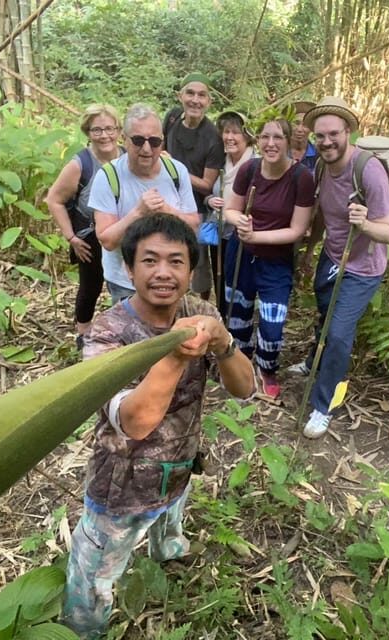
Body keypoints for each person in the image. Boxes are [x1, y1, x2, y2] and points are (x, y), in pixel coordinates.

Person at [62, 213, 255, 638]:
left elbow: (244, 389)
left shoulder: (199, 312)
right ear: (129, 269)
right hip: (122, 486)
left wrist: (223, 342)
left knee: (170, 527)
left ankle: (168, 554)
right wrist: (176, 355)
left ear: (190, 270)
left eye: (176, 261)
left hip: (178, 469)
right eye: (150, 261)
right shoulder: (108, 335)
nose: (164, 272)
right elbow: (135, 423)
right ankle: (82, 631)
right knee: (91, 586)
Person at [292, 97, 389, 438]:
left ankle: (325, 405)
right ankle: (313, 362)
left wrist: (365, 223)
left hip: (363, 267)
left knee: (338, 334)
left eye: (333, 134)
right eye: (319, 136)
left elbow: (388, 231)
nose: (326, 142)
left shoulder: (368, 170)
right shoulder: (321, 166)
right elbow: (322, 214)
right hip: (332, 257)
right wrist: (310, 251)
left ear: (347, 132)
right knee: (325, 316)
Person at [223, 117, 315, 399]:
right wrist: (241, 224)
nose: (271, 143)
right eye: (265, 137)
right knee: (237, 313)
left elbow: (297, 229)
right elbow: (231, 209)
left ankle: (267, 367)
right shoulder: (249, 169)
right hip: (241, 253)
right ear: (258, 140)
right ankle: (239, 363)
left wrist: (257, 236)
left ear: (288, 141)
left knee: (272, 323)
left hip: (276, 259)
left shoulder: (301, 177)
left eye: (278, 137)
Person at [90, 104, 199, 303]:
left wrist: (166, 210)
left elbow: (193, 226)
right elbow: (107, 240)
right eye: (138, 140)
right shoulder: (108, 176)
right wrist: (139, 212)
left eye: (155, 141)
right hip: (126, 283)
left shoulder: (177, 171)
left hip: (171, 279)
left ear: (162, 141)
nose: (147, 149)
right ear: (125, 139)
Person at [45, 104, 124, 347]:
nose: (104, 135)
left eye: (109, 128)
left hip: (122, 230)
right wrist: (71, 238)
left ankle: (125, 330)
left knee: (123, 282)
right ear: (87, 132)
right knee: (91, 284)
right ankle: (84, 334)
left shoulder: (127, 156)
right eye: (97, 130)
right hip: (90, 235)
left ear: (119, 130)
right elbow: (54, 199)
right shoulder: (81, 164)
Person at [163, 72, 224, 302]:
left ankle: (201, 305)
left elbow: (207, 184)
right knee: (169, 257)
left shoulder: (213, 137)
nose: (195, 100)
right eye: (190, 93)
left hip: (197, 210)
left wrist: (175, 168)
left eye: (202, 95)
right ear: (180, 96)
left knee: (198, 262)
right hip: (167, 204)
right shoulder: (172, 119)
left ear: (209, 101)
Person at [205, 110, 257, 316]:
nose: (229, 137)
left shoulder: (256, 163)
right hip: (220, 231)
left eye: (236, 132)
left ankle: (239, 322)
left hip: (243, 232)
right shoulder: (221, 161)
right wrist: (210, 200)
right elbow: (208, 191)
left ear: (247, 136)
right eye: (226, 132)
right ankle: (222, 319)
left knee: (239, 280)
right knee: (220, 279)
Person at [289, 100, 318, 172]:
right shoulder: (279, 152)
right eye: (296, 123)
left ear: (312, 128)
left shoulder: (318, 155)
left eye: (305, 125)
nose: (299, 129)